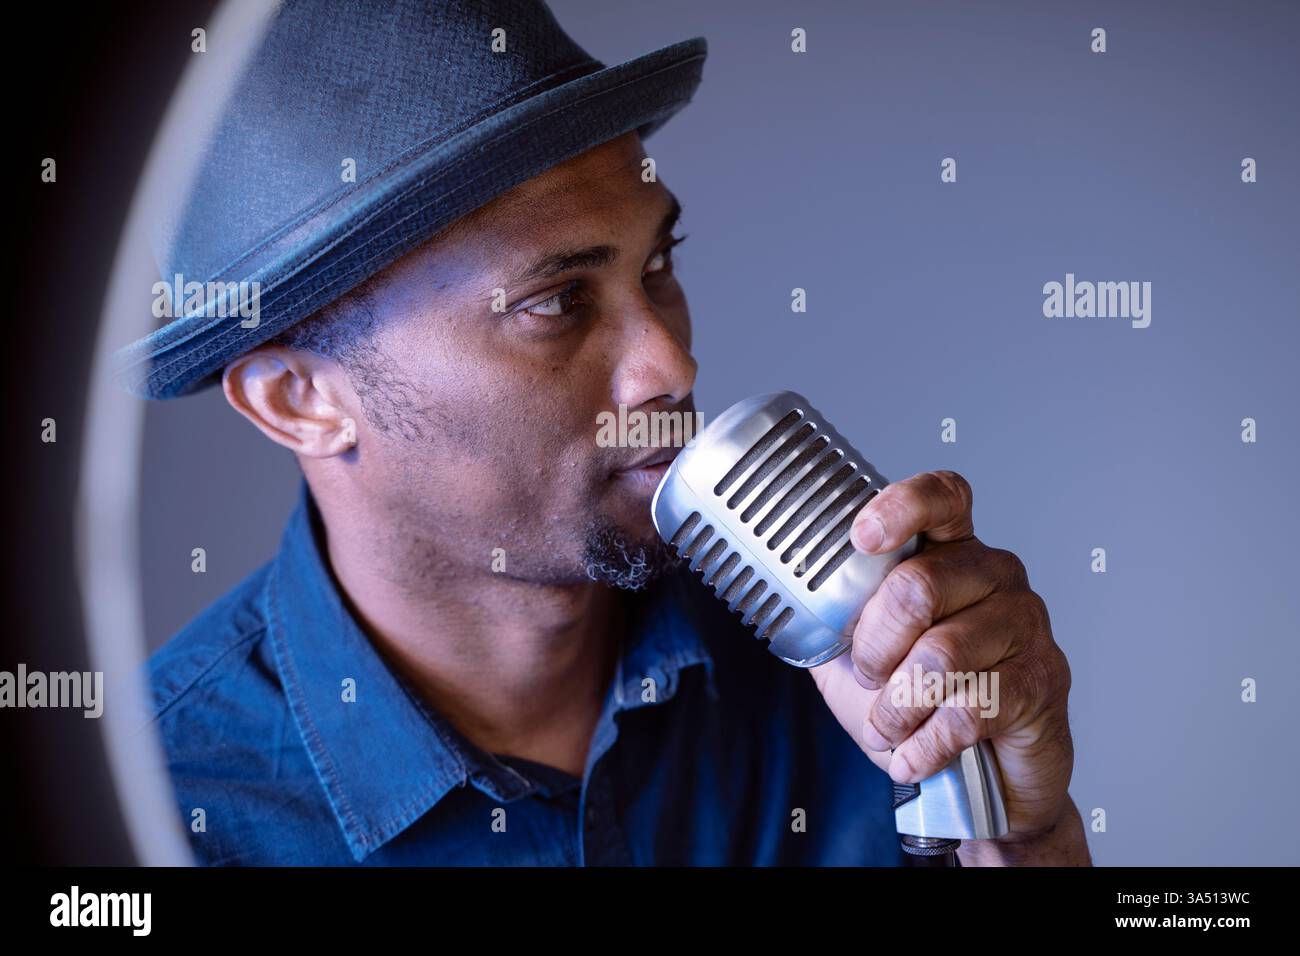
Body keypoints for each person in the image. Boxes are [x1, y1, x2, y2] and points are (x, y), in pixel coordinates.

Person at [124, 0, 1089, 866]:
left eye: (658, 265)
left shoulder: (857, 674)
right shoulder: (159, 817)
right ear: (299, 399)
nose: (670, 366)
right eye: (556, 302)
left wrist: (1021, 837)